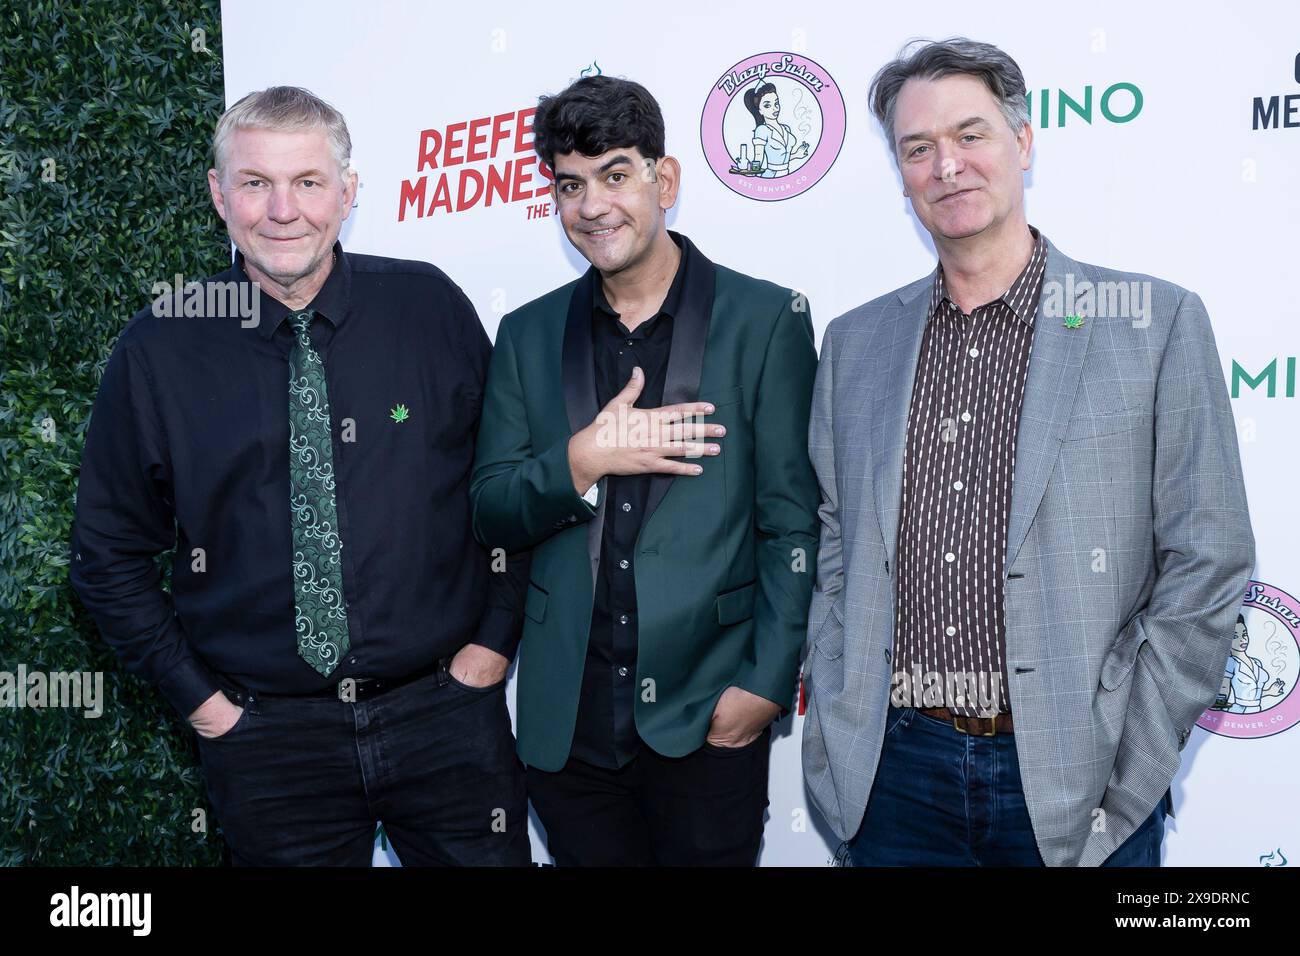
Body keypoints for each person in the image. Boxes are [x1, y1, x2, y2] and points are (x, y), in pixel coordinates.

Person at [800, 38, 1255, 867]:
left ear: (1024, 142)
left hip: (1080, 780)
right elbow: (838, 541)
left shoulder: (1151, 323)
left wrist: (1131, 764)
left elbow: (1209, 555)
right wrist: (837, 702)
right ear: (900, 171)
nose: (947, 165)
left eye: (970, 135)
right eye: (918, 148)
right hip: (894, 774)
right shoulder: (855, 343)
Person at [69, 86, 530, 866]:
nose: (283, 210)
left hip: (447, 720)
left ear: (347, 193)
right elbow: (105, 556)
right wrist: (209, 710)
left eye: (309, 183)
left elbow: (507, 490)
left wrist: (491, 648)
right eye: (255, 183)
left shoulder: (429, 308)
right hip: (269, 743)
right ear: (220, 195)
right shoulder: (159, 348)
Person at [470, 75, 819, 865]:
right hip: (571, 728)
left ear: (663, 181)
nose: (592, 206)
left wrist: (764, 688)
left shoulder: (766, 322)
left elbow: (792, 521)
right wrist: (582, 460)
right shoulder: (525, 335)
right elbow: (492, 508)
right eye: (570, 185)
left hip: (708, 714)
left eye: (615, 174)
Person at [743, 81, 809, 178]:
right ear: (759, 110)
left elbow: (781, 158)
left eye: (776, 103)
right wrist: (750, 170)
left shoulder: (786, 128)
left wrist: (797, 154)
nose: (774, 109)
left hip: (786, 174)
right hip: (771, 175)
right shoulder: (762, 130)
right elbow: (758, 157)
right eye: (767, 105)